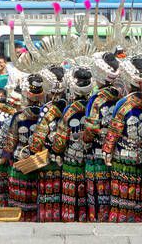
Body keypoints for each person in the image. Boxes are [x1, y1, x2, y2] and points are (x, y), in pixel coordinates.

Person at [102, 55, 142, 222]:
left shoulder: (123, 104)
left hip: (125, 153)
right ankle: (141, 216)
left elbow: (115, 130)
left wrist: (107, 150)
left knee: (125, 187)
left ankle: (123, 216)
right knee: (141, 186)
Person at [80, 51, 122, 222]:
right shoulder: (121, 95)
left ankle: (97, 218)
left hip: (97, 152)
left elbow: (90, 129)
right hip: (117, 150)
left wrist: (84, 139)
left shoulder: (96, 100)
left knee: (97, 191)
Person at [50, 65, 93, 222]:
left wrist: (56, 151)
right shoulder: (93, 105)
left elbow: (61, 137)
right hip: (90, 157)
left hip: (71, 158)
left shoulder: (70, 109)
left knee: (71, 195)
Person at [3, 73, 46, 222]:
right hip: (39, 160)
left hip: (20, 160)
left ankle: (19, 218)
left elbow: (11, 140)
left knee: (19, 196)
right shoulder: (46, 114)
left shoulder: (20, 116)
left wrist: (6, 157)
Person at [28, 65, 66, 222]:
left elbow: (39, 136)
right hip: (66, 156)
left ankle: (47, 219)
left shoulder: (47, 109)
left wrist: (33, 151)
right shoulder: (68, 105)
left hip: (47, 157)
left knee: (47, 193)